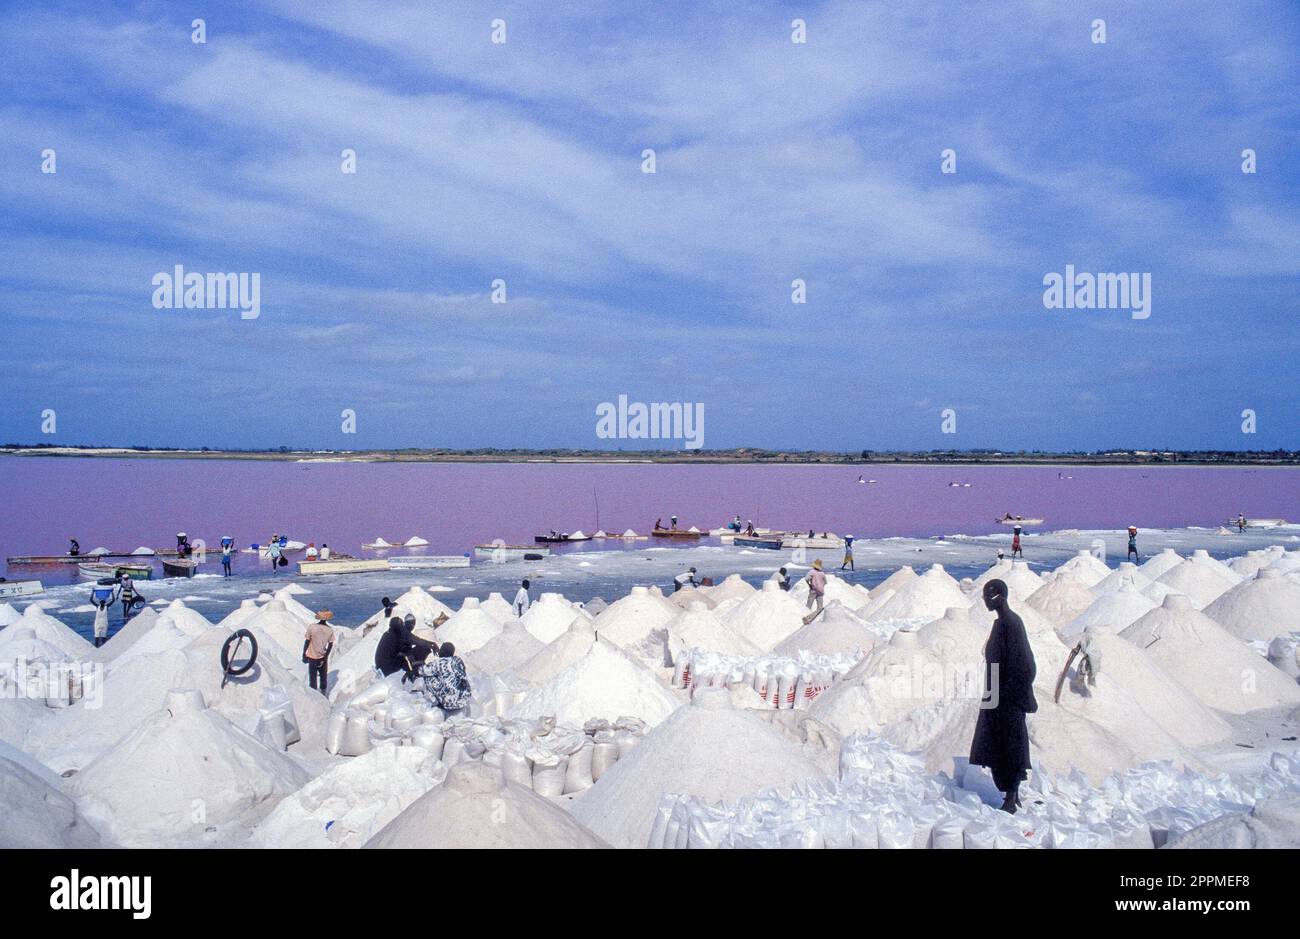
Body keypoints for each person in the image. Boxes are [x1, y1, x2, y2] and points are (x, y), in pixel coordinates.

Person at [969, 579, 1037, 814]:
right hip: (996, 695)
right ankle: (1011, 794)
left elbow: (1027, 665)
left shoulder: (1011, 623)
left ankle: (1011, 795)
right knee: (996, 743)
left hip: (1007, 698)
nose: (985, 600)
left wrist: (1011, 694)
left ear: (1000, 596)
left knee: (1010, 744)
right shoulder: (1001, 623)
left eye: (989, 596)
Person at [420, 642, 472, 717]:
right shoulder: (458, 661)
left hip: (448, 703)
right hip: (464, 700)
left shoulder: (438, 663)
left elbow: (421, 671)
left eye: (440, 650)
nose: (439, 651)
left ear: (443, 651)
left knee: (427, 677)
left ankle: (436, 703)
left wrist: (418, 663)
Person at [304, 609, 334, 696]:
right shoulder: (329, 630)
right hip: (323, 657)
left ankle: (314, 696)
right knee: (323, 677)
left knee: (312, 678)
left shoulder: (312, 627)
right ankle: (323, 695)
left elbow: (307, 641)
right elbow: (330, 644)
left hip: (312, 656)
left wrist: (304, 654)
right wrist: (326, 657)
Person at [90, 582, 118, 647]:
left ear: (104, 602)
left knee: (103, 635)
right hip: (97, 622)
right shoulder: (98, 606)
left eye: (103, 602)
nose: (102, 603)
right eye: (101, 602)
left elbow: (113, 600)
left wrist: (112, 592)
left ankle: (103, 647)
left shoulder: (106, 607)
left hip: (104, 622)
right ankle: (96, 646)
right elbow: (91, 600)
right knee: (96, 635)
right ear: (100, 602)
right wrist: (93, 592)